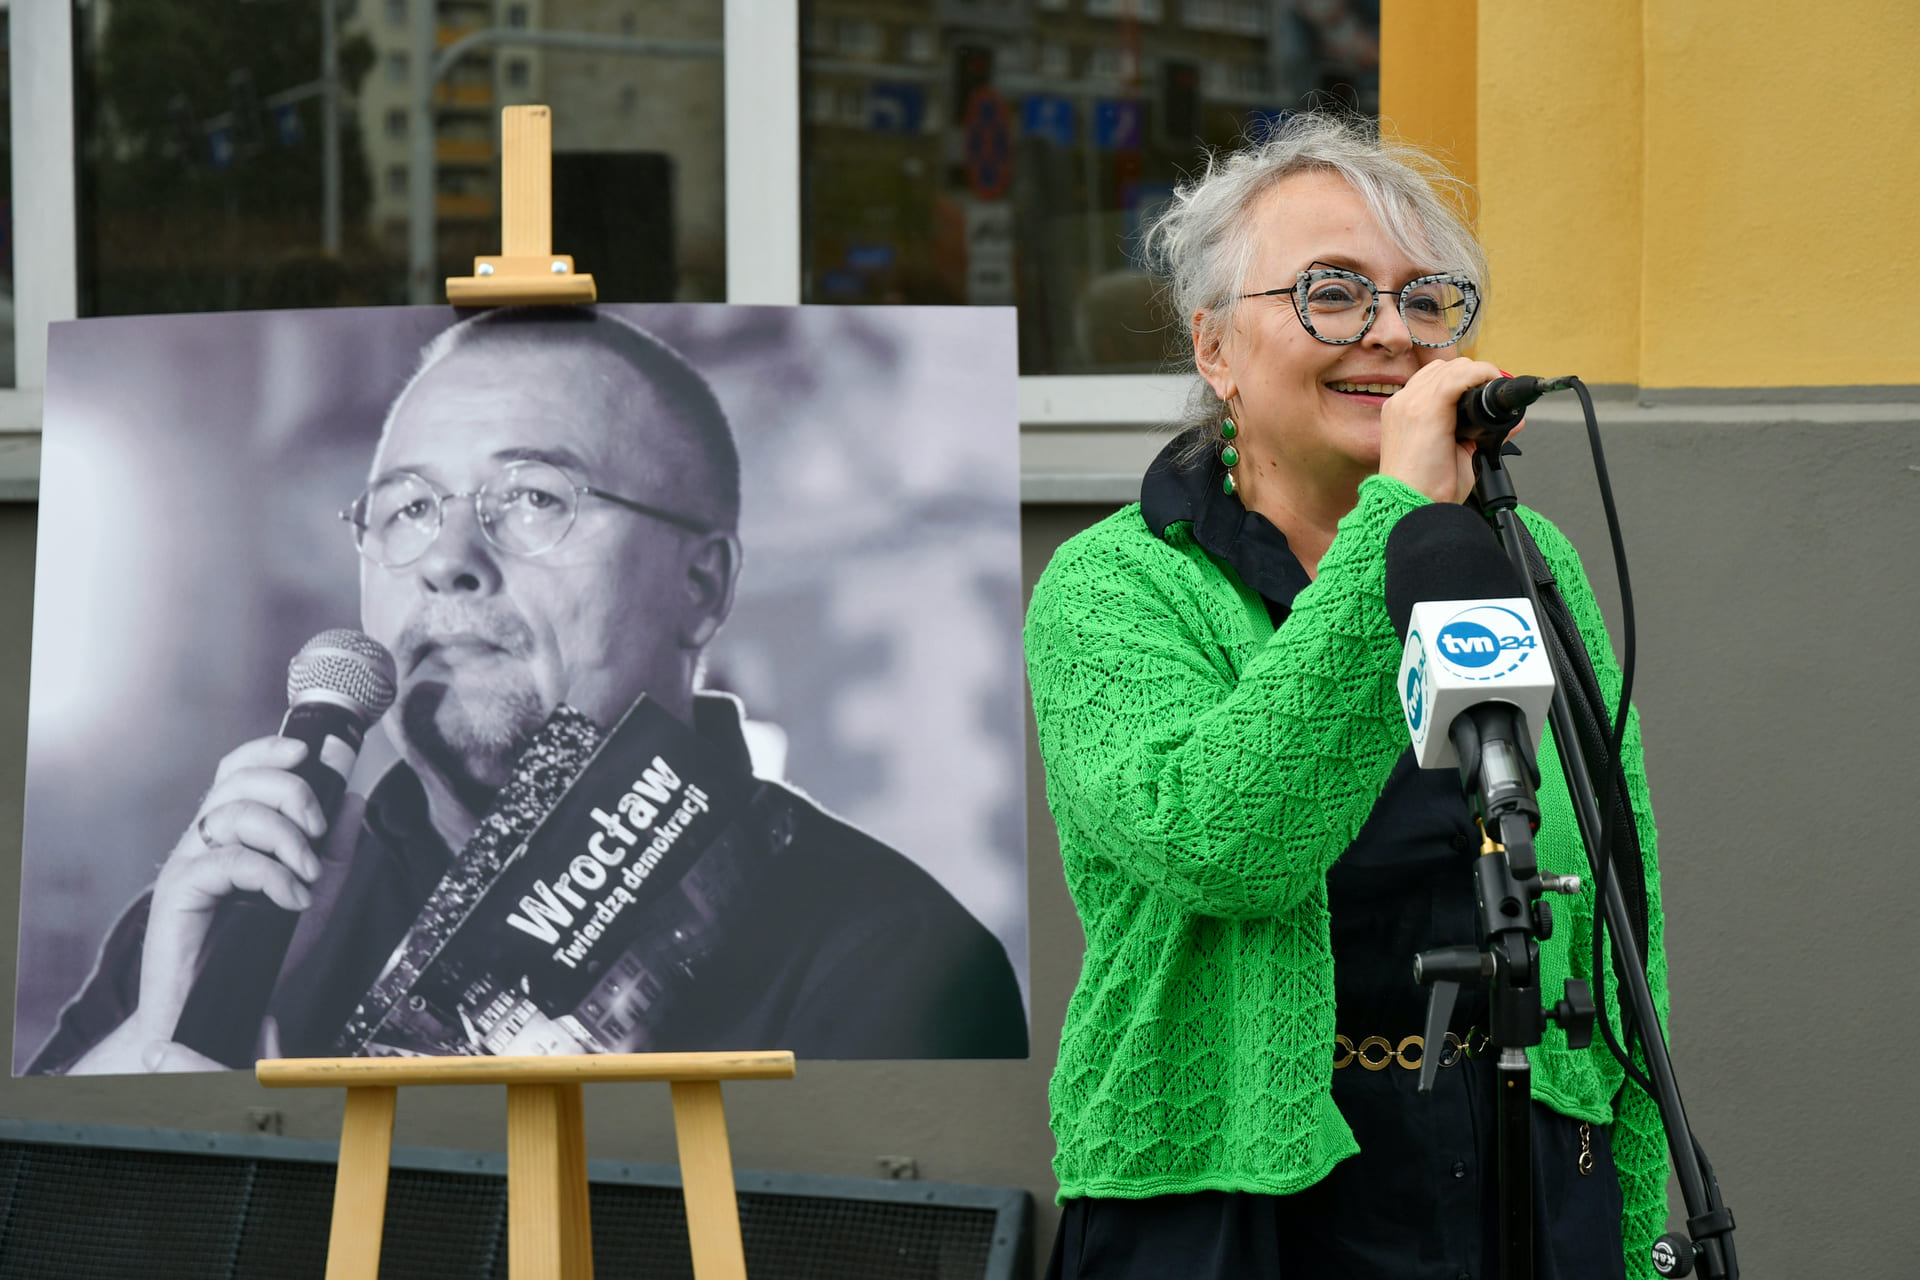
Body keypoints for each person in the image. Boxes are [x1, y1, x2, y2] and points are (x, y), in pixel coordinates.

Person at [34, 307, 1027, 1073]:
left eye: (536, 499)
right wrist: (157, 1056)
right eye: (408, 509)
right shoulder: (214, 921)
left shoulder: (893, 956)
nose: (448, 559)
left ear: (703, 583)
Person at [1023, 113, 1668, 1278]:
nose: (1392, 334)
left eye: (1427, 299)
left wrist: (1624, 1200)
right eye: (1333, 293)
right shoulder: (1117, 584)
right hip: (1240, 1199)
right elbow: (1226, 843)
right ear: (1214, 346)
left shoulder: (1524, 558)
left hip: (1517, 1168)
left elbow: (1620, 908)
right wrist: (1397, 521)